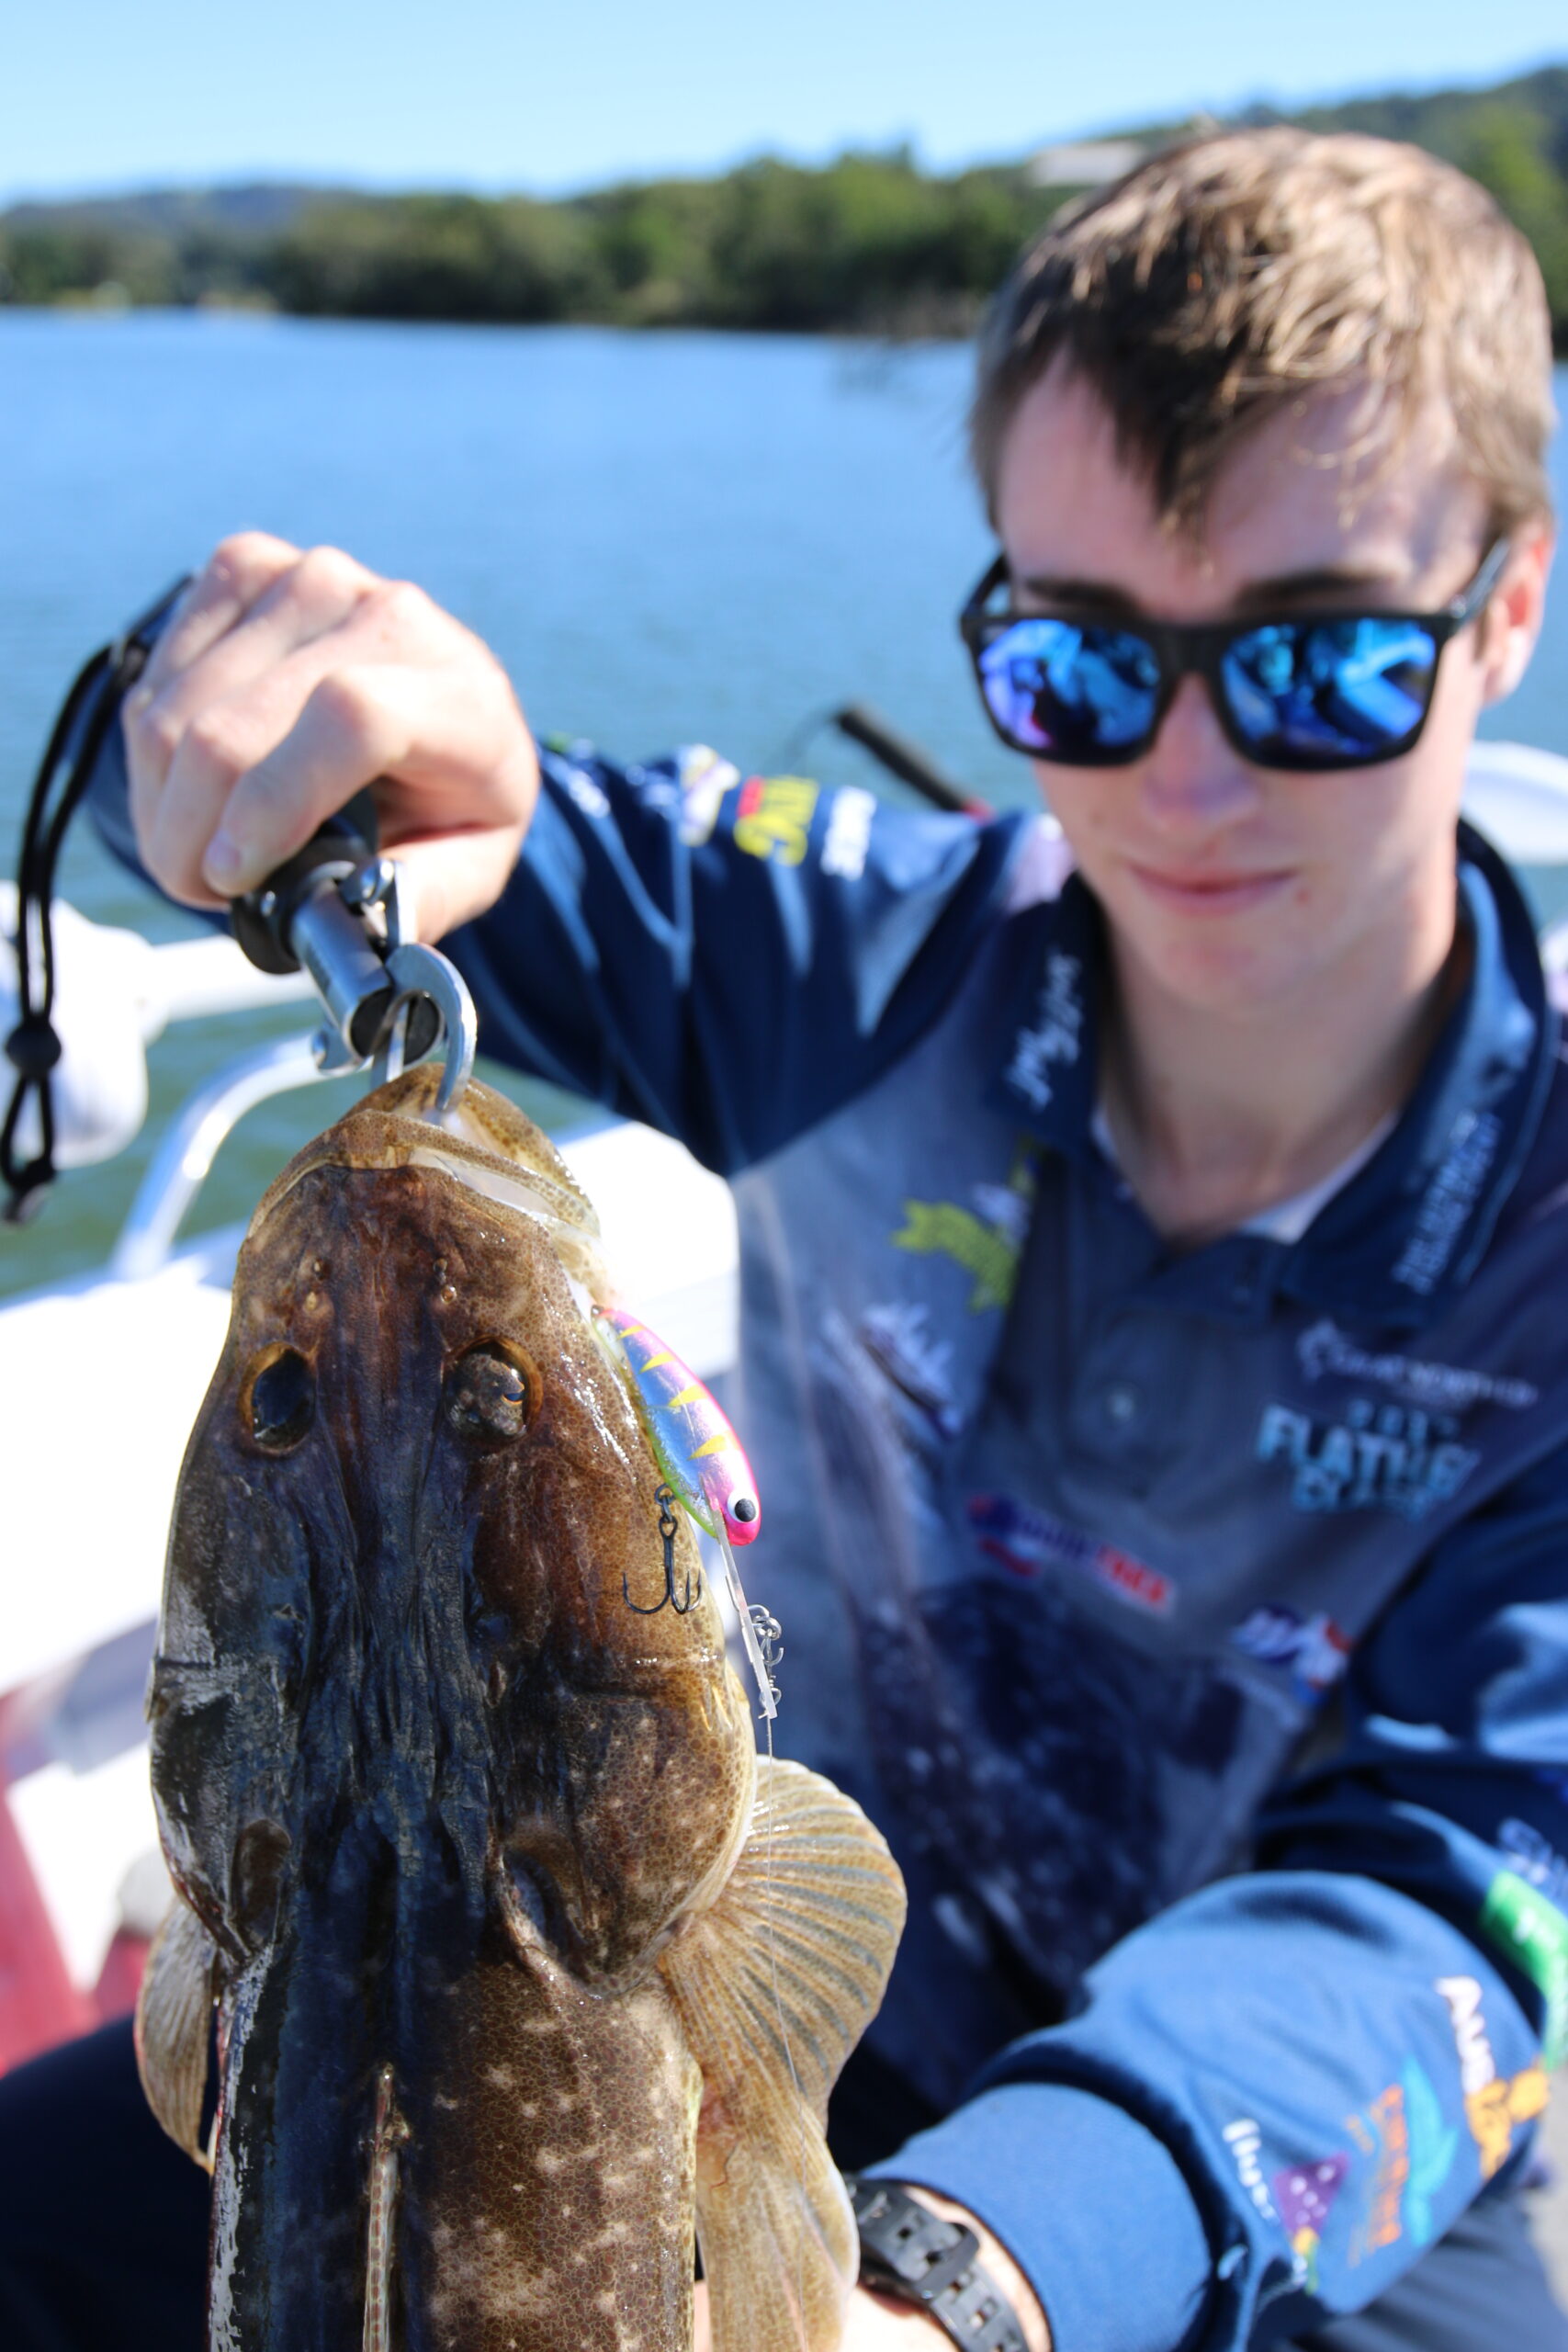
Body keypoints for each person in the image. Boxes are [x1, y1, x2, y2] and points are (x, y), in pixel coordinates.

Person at [1, 127, 1563, 2352]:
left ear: (1503, 605)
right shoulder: (864, 956)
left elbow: (1437, 1897)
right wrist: (268, 693)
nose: (1184, 782)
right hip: (747, 1994)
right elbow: (499, 826)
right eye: (1082, 668)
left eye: (1314, 669)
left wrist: (952, 2286)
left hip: (1257, 2201)